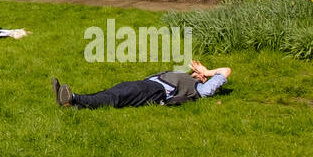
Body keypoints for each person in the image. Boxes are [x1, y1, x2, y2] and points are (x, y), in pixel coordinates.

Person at [51, 60, 231, 109]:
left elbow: (226, 71)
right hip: (147, 85)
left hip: (156, 92)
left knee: (118, 96)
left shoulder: (201, 89)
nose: (198, 73)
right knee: (113, 92)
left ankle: (73, 98)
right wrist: (194, 73)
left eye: (203, 75)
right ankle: (71, 102)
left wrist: (207, 72)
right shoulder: (187, 78)